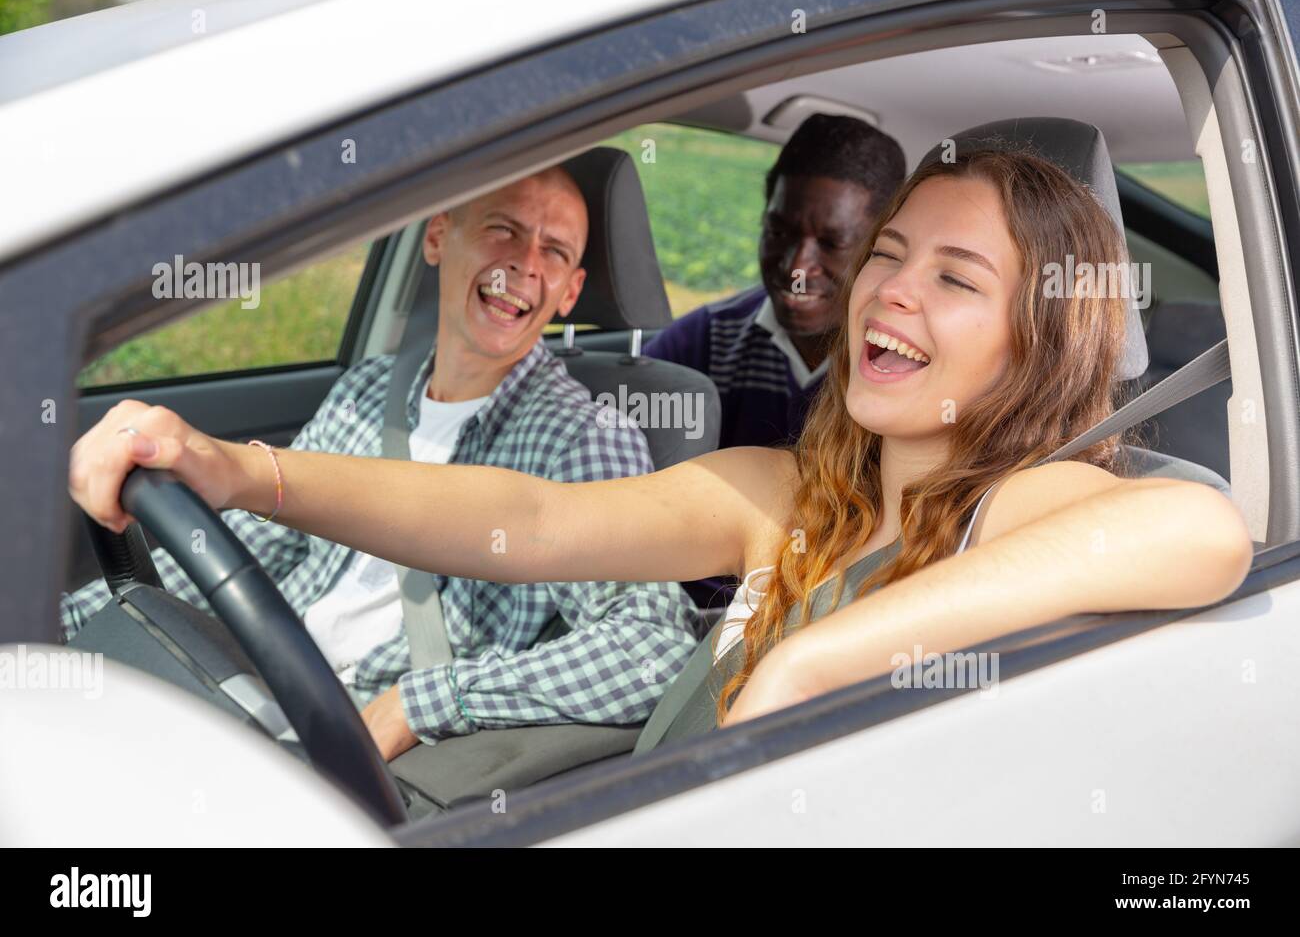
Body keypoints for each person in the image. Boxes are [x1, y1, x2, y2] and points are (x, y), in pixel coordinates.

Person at [68, 149, 1253, 747]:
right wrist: (238, 469)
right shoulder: (783, 493)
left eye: (956, 278)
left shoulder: (1015, 501)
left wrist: (808, 661)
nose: (891, 291)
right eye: (888, 255)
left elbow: (1196, 526)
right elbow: (523, 522)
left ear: (1032, 339)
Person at [61, 164, 699, 761]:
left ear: (570, 293)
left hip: (356, 758)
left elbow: (653, 648)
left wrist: (419, 705)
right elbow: (242, 544)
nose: (525, 265)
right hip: (255, 686)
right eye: (503, 228)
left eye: (554, 251)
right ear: (438, 237)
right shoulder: (368, 391)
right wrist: (57, 628)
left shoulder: (582, 435)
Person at [644, 113, 906, 451]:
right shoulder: (702, 345)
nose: (796, 266)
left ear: (882, 248)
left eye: (831, 243)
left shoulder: (901, 364)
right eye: (779, 232)